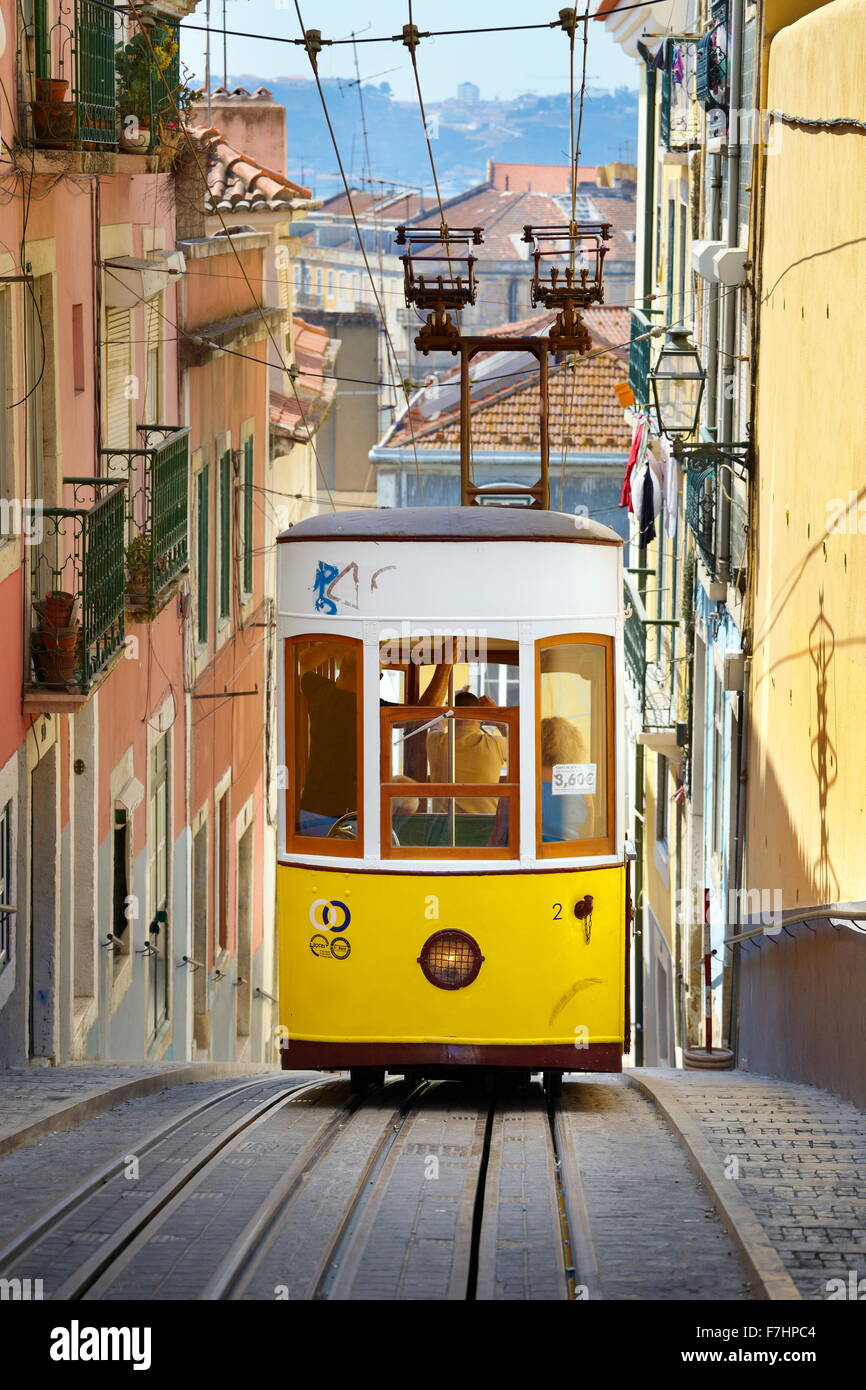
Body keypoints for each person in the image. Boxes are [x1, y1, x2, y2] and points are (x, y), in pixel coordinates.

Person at [296, 638, 456, 836]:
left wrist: (343, 642)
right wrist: (445, 666)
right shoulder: (372, 709)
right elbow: (427, 715)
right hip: (349, 817)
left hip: (311, 811)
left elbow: (302, 661)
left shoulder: (320, 693)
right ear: (369, 677)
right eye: (379, 675)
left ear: (342, 671)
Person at [427, 690, 507, 813]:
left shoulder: (435, 741)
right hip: (486, 824)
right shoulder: (496, 744)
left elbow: (438, 722)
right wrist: (495, 714)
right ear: (480, 716)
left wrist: (450, 705)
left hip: (443, 825)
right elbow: (521, 750)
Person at [539, 715, 593, 842]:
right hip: (570, 855)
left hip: (534, 855)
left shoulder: (527, 780)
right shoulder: (582, 786)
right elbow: (588, 834)